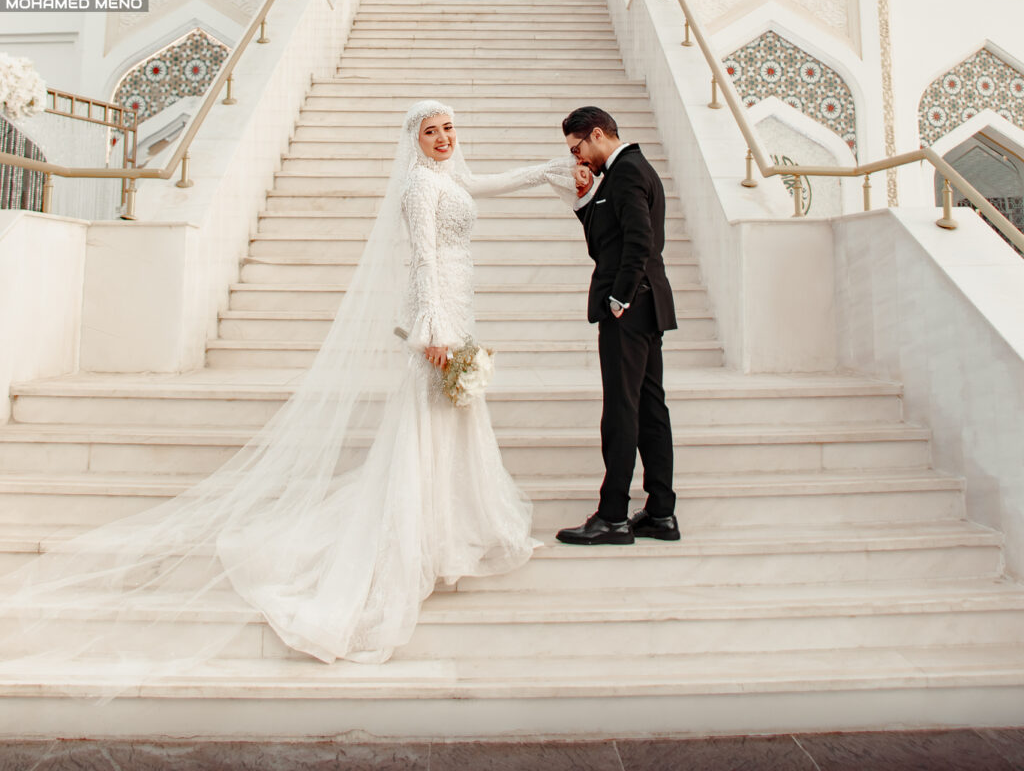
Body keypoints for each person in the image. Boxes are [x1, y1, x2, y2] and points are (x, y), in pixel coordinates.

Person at [0, 99, 576, 689]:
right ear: (415, 141)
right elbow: (423, 260)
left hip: (460, 302)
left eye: (449, 128)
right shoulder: (417, 188)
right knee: (431, 414)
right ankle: (425, 531)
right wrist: (432, 328)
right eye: (432, 132)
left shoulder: (448, 177)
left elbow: (482, 182)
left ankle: (454, 522)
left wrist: (545, 171)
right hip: (438, 313)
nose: (444, 138)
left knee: (452, 414)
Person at [555, 106, 679, 546]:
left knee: (622, 412)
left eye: (578, 149)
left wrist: (620, 298)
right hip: (648, 305)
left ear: (596, 134)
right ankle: (661, 513)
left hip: (631, 307)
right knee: (649, 408)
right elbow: (605, 239)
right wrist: (586, 196)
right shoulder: (629, 169)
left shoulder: (626, 171)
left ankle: (612, 516)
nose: (577, 160)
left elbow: (640, 241)